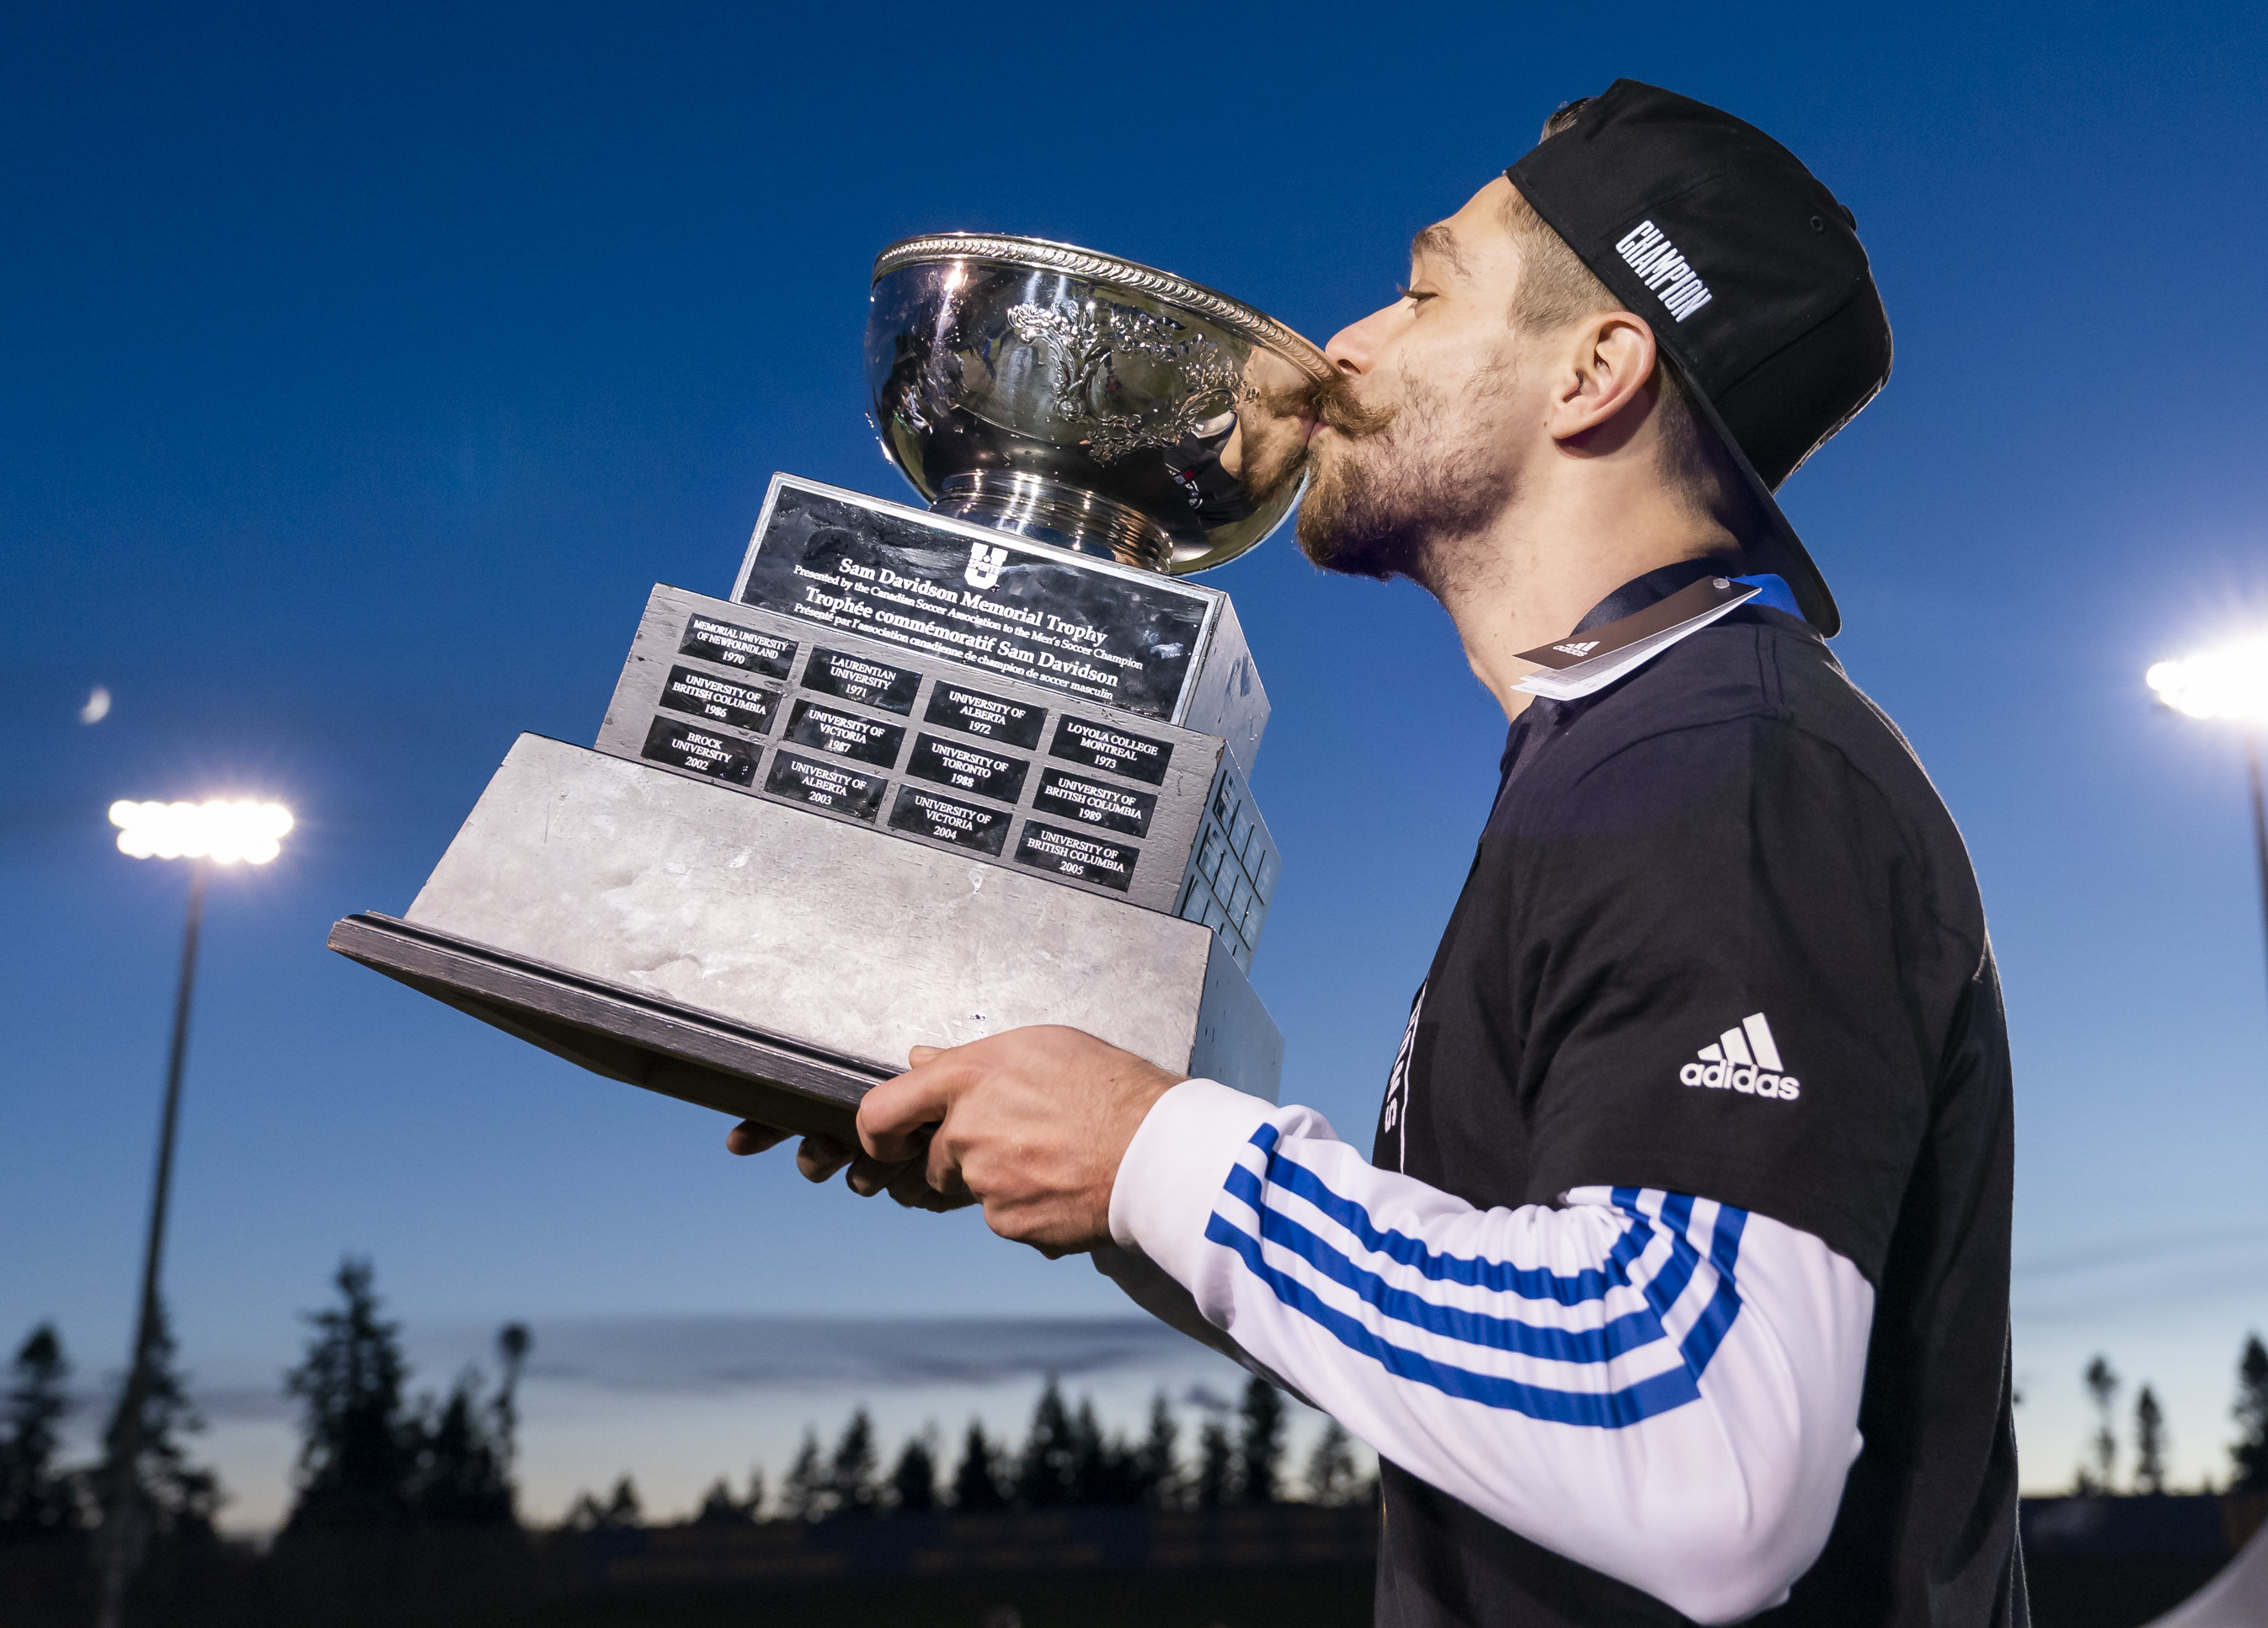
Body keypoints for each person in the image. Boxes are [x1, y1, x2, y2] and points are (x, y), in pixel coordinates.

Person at [727, 81, 2025, 1626]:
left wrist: (1157, 1147)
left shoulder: (1729, 766)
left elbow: (1700, 1445)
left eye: (1423, 291)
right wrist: (1104, 1178)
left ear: (1596, 371)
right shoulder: (1616, 758)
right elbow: (1507, 1368)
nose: (1346, 344)